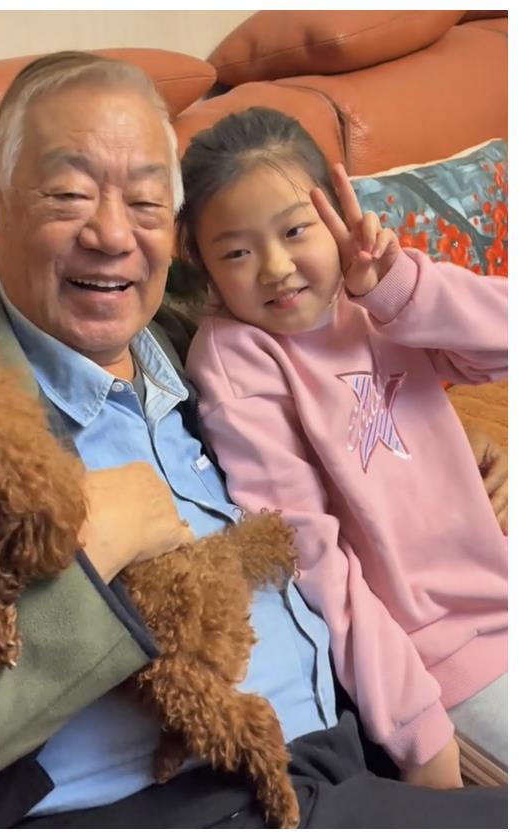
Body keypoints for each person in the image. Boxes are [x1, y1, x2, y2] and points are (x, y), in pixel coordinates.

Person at [0, 54, 507, 830]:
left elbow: (350, 424)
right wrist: (88, 562)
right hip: (170, 799)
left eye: (146, 201)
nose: (113, 234)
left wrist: (451, 448)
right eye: (69, 194)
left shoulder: (197, 331)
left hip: (343, 758)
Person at [180, 107, 508, 788]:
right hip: (445, 661)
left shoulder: (381, 297)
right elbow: (308, 557)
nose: (275, 268)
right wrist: (415, 728)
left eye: (296, 230)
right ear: (201, 263)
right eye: (236, 252)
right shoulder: (238, 360)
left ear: (338, 212)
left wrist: (396, 287)